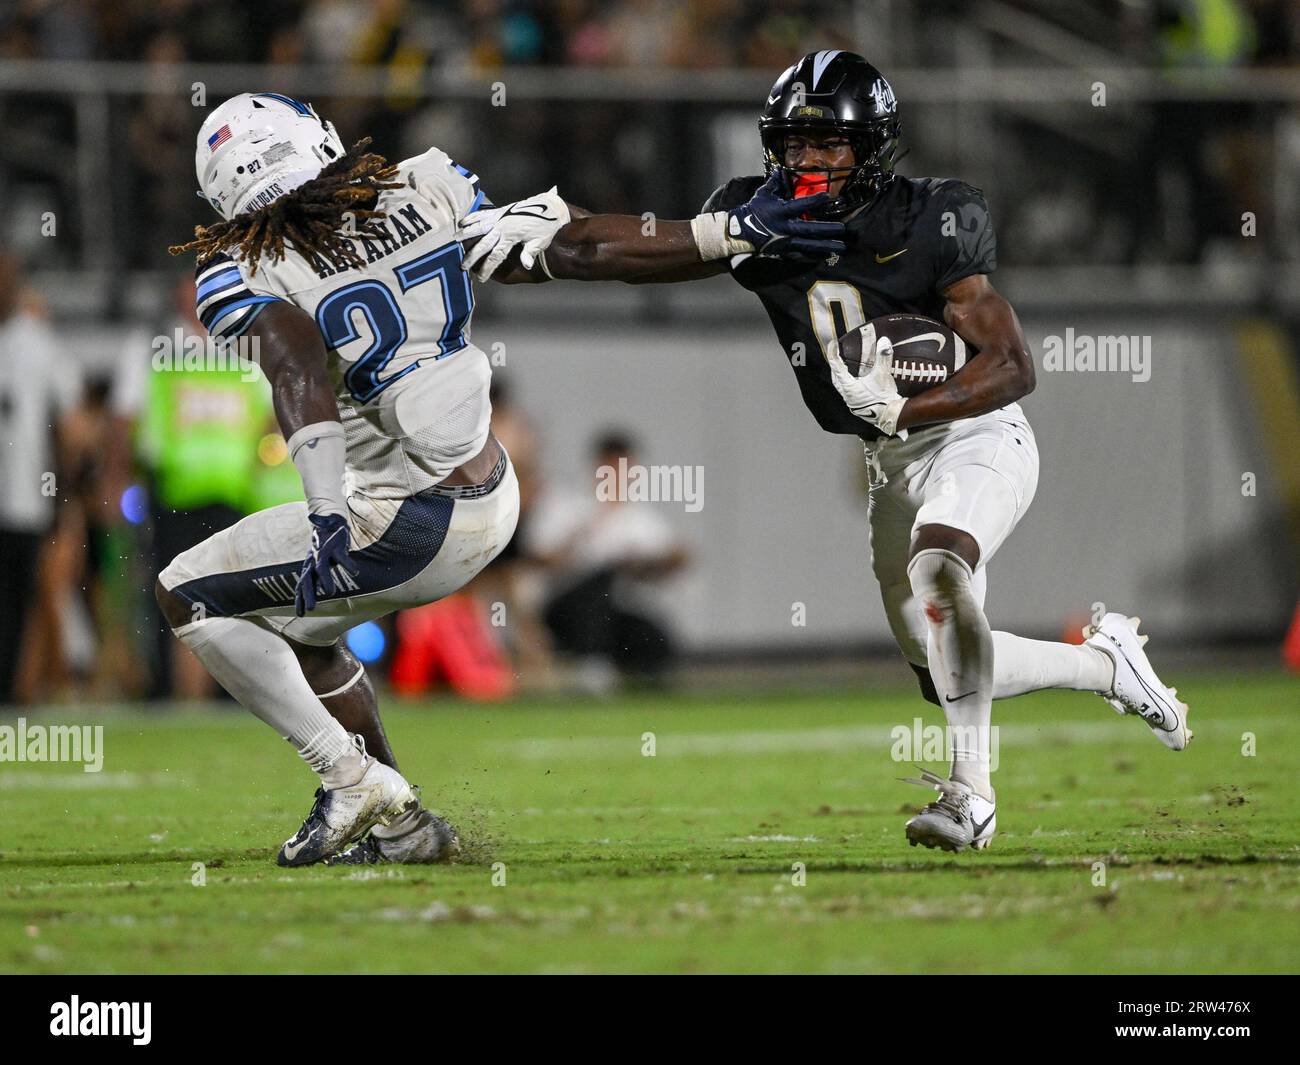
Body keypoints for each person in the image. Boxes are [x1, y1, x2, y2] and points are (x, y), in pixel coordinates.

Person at [463, 50, 1191, 853]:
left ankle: (969, 797)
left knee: (941, 570)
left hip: (975, 433)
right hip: (890, 460)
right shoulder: (755, 216)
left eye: (830, 145)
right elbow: (647, 250)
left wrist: (911, 402)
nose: (808, 161)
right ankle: (1105, 664)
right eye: (794, 143)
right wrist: (554, 240)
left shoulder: (933, 215)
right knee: (937, 662)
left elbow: (1013, 366)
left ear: (873, 146)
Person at [162, 92, 839, 866]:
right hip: (491, 489)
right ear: (319, 140)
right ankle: (402, 827)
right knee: (307, 633)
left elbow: (295, 365)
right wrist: (726, 235)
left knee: (186, 592)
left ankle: (351, 780)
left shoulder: (239, 266)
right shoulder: (423, 183)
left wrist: (322, 508)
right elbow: (579, 246)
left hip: (406, 518)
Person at [528, 431, 688, 690]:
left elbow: (668, 560)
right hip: (564, 608)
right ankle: (591, 667)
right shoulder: (566, 504)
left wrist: (667, 560)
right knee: (599, 582)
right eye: (611, 467)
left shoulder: (639, 515)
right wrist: (582, 534)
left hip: (613, 609)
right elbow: (538, 558)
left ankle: (639, 685)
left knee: (652, 636)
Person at [0, 249, 79, 705]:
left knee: (20, 601)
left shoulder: (36, 341)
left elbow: (67, 424)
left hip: (24, 497)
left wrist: (62, 494)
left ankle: (14, 694)